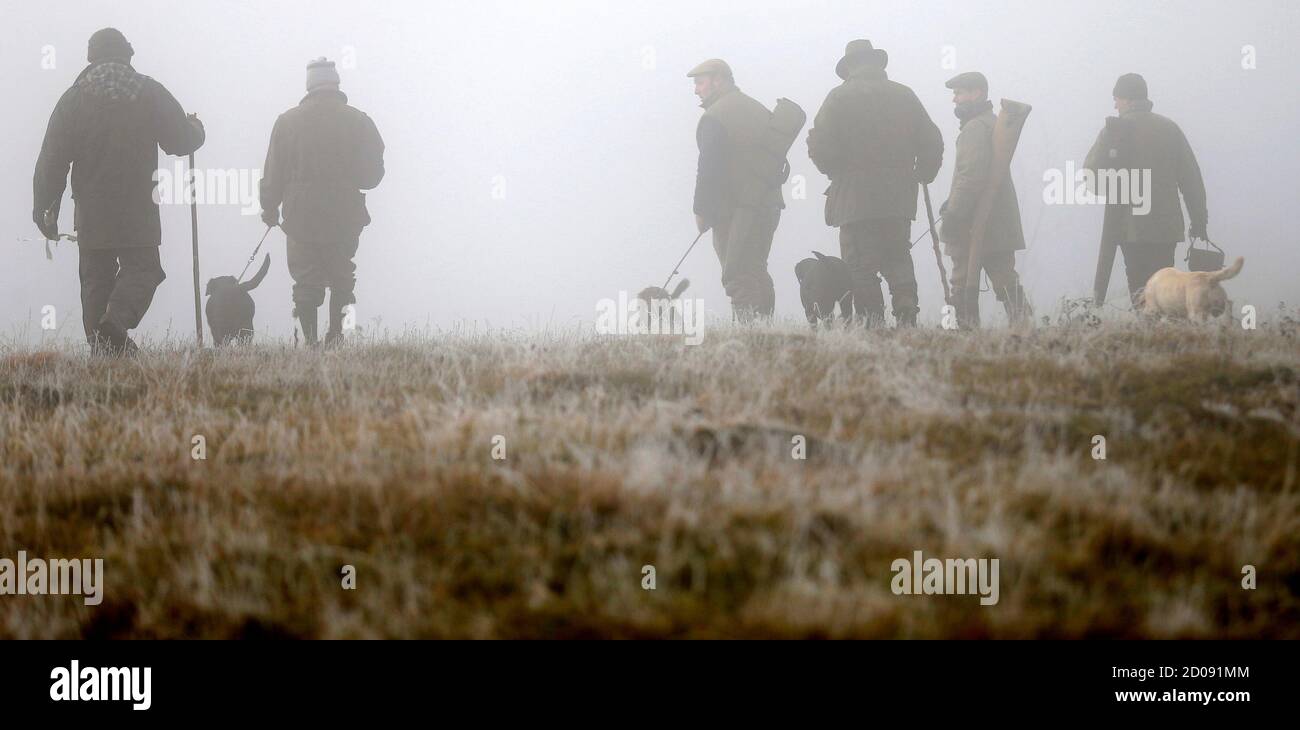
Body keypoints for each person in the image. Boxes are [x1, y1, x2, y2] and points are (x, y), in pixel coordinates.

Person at [32, 28, 205, 354]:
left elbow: (51, 162)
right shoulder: (149, 92)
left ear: (91, 58)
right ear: (128, 56)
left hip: (91, 209)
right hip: (137, 206)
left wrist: (44, 208)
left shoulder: (74, 99)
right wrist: (196, 128)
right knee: (144, 269)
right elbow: (181, 140)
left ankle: (103, 348)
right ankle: (115, 324)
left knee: (95, 279)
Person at [807, 39, 942, 328]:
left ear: (850, 67)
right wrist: (924, 173)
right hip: (899, 197)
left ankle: (872, 323)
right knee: (897, 255)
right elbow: (932, 141)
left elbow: (819, 145)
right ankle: (906, 310)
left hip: (855, 199)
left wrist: (834, 171)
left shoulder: (838, 97)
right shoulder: (905, 95)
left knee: (860, 264)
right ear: (876, 64)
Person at [260, 57, 385, 346]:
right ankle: (336, 336)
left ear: (309, 86)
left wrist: (269, 207)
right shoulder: (359, 121)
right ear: (336, 83)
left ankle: (311, 341)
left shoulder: (287, 122)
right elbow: (371, 176)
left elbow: (273, 171)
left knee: (306, 279)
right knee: (342, 275)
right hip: (345, 213)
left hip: (301, 215)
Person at [1084, 73, 1208, 307]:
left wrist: (1111, 187)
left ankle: (1146, 330)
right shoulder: (1170, 129)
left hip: (1130, 227)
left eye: (1117, 98)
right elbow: (1191, 180)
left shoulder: (1114, 131)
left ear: (1129, 100)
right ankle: (1169, 333)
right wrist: (1199, 220)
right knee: (1165, 286)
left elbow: (1089, 174)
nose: (1115, 104)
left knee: (1140, 287)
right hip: (1165, 227)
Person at [688, 58, 783, 321]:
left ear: (718, 80)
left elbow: (708, 169)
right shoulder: (759, 109)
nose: (696, 90)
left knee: (738, 274)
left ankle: (748, 339)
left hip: (736, 211)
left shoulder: (714, 116)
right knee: (756, 269)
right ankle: (766, 333)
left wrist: (701, 211)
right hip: (768, 206)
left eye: (700, 82)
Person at [940, 71, 1031, 328]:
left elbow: (970, 178)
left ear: (976, 93)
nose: (954, 100)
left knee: (961, 278)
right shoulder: (992, 122)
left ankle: (967, 333)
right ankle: (1024, 329)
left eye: (958, 93)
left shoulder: (974, 128)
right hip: (998, 220)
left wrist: (954, 215)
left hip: (972, 220)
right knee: (1004, 276)